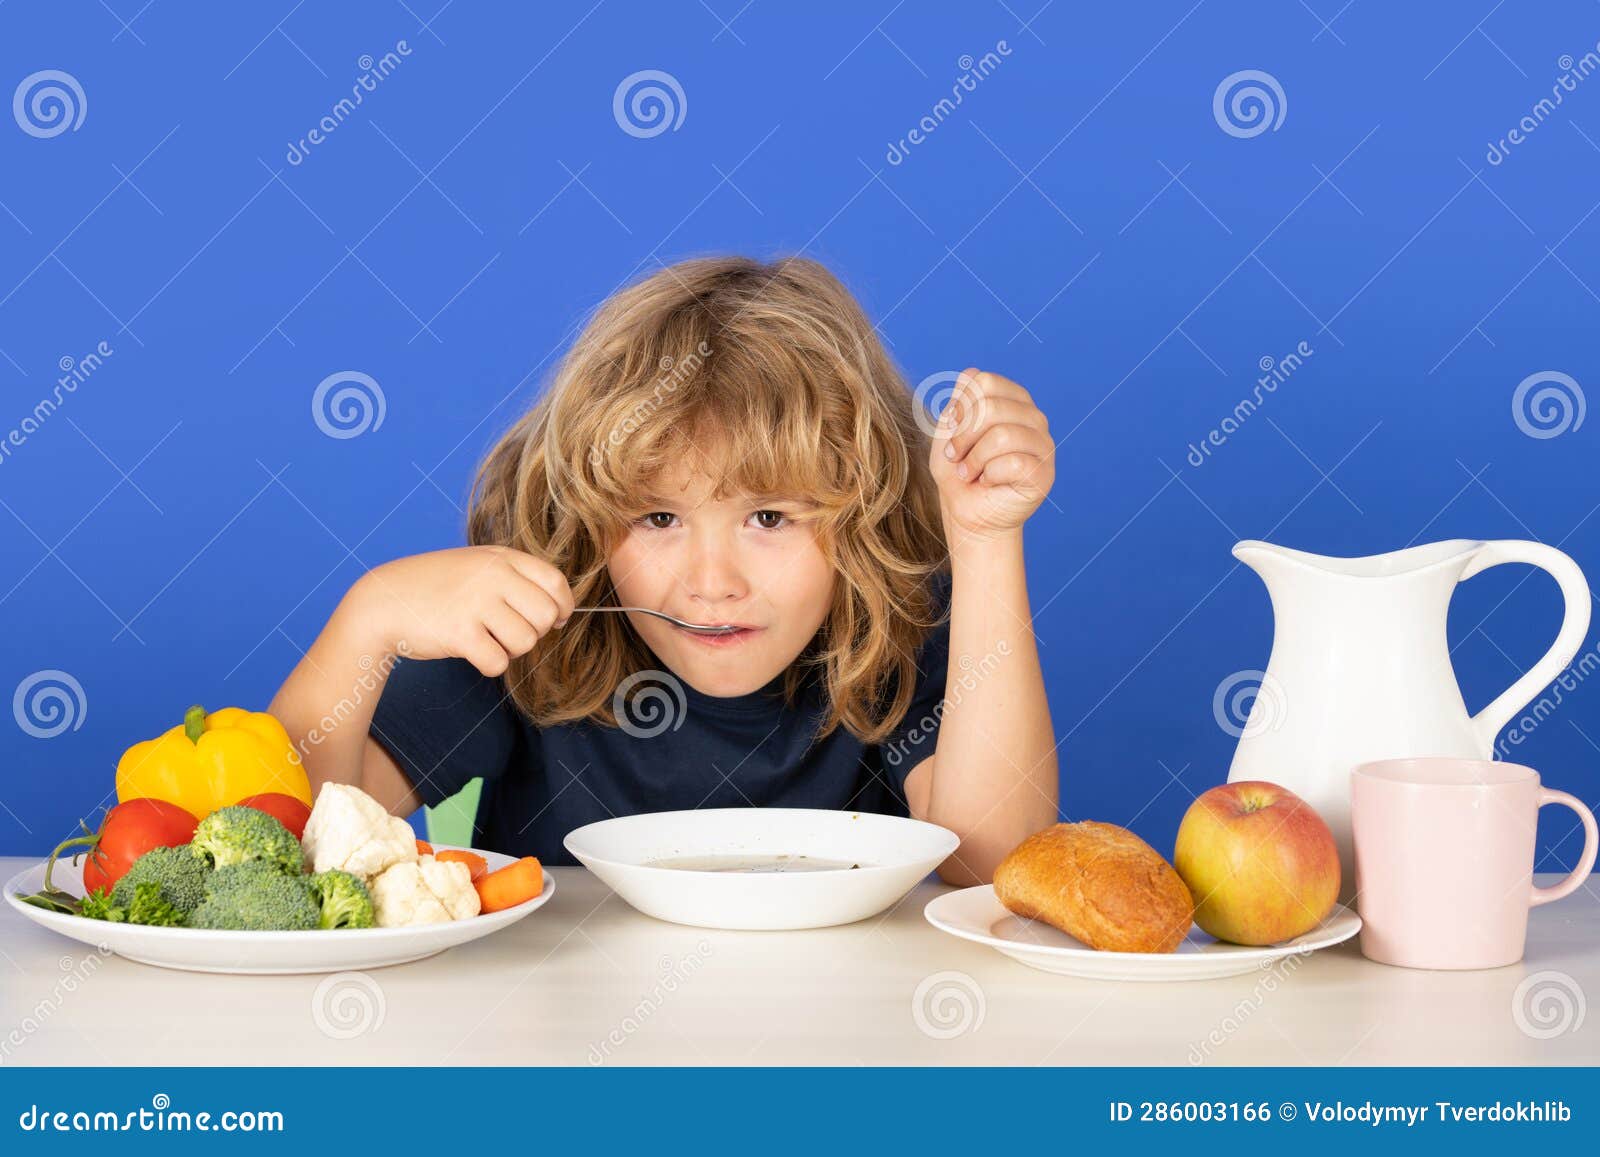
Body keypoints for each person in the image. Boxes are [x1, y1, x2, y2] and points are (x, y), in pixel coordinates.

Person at [270, 255, 1058, 883]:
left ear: (862, 514)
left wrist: (986, 541)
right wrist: (366, 621)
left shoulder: (895, 617)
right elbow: (291, 840)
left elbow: (993, 862)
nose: (712, 583)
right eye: (657, 518)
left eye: (770, 518)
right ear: (590, 521)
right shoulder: (530, 634)